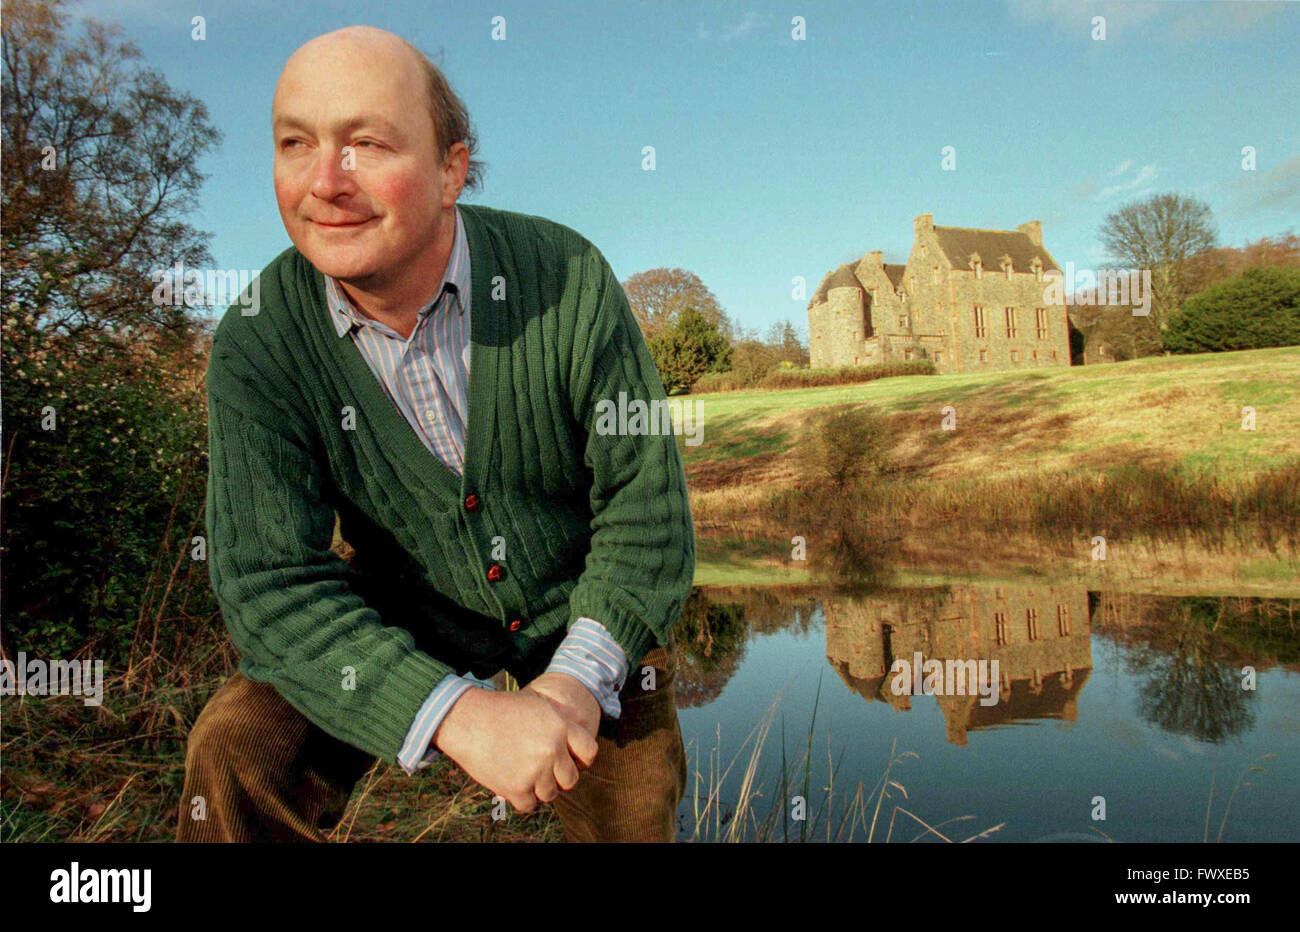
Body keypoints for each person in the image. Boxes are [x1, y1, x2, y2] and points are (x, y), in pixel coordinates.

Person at [176, 25, 694, 843]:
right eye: (294, 143)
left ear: (452, 167)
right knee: (237, 750)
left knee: (631, 807)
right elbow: (269, 581)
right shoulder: (258, 339)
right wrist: (454, 712)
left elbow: (647, 513)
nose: (324, 183)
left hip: (584, 600)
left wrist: (573, 685)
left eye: (366, 143)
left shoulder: (567, 277)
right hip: (401, 606)